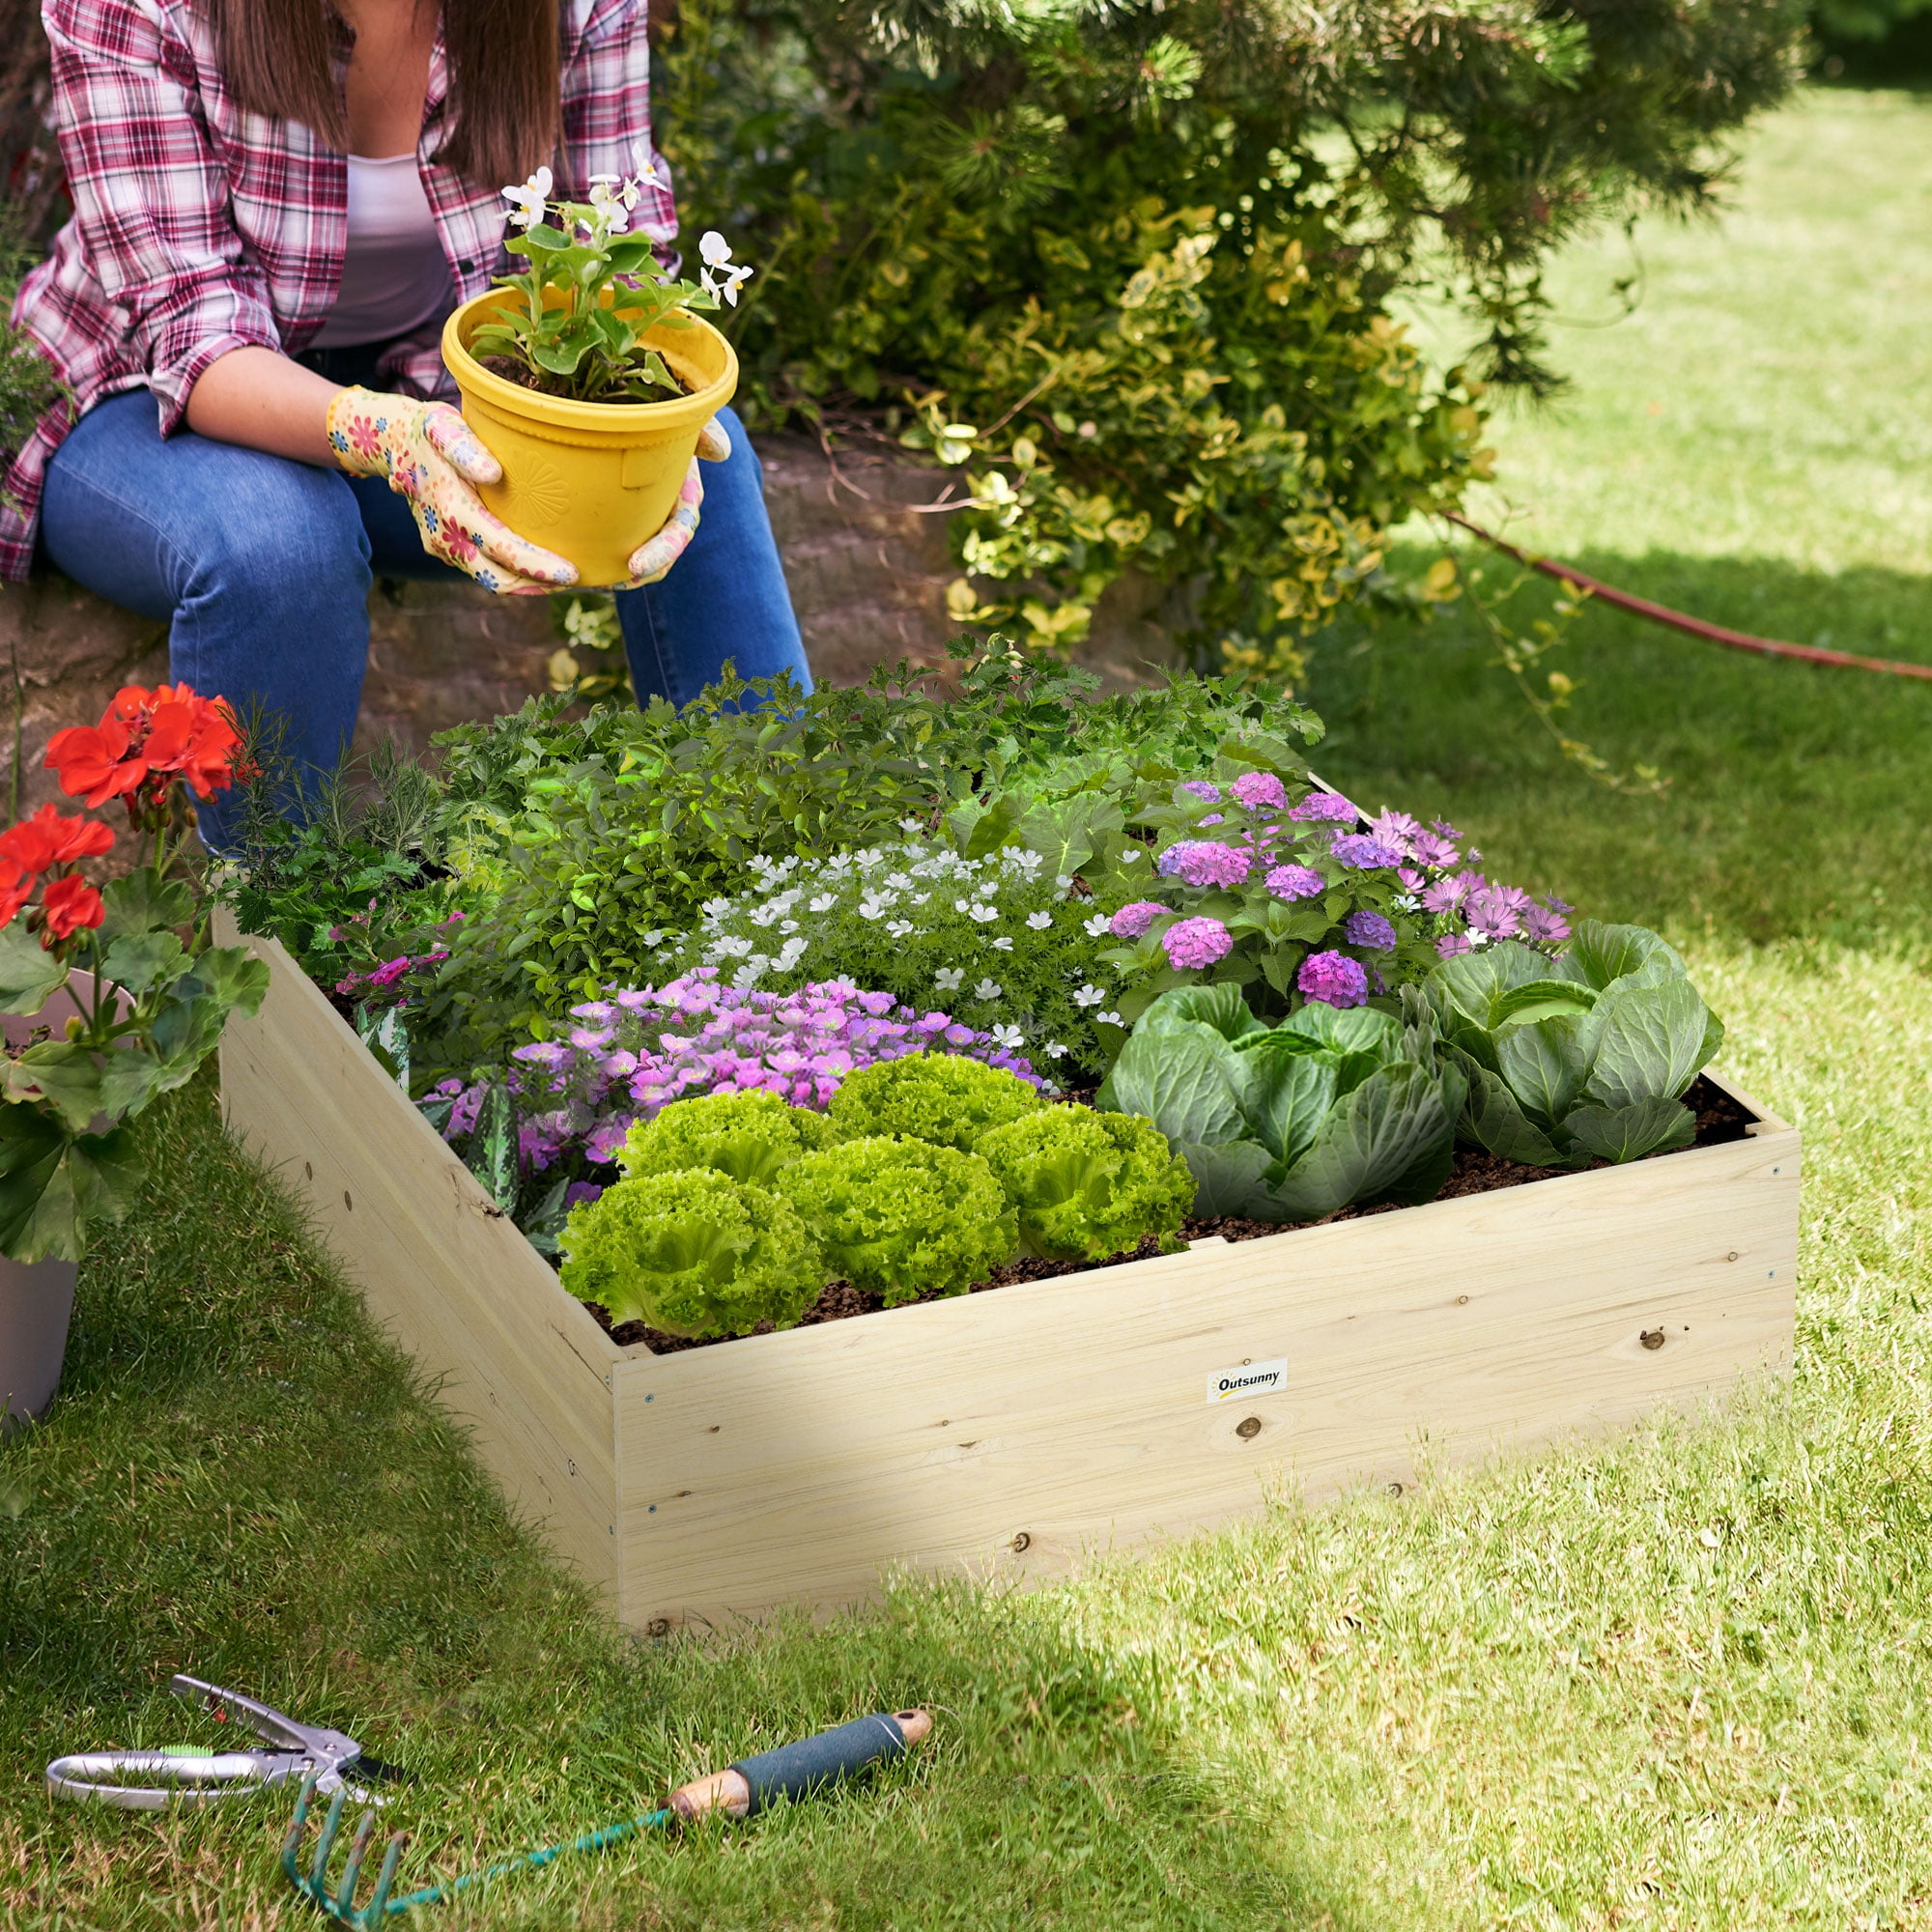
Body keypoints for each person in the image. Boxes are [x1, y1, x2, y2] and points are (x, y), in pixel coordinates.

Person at [5, 0, 811, 843]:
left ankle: (780, 896)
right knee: (282, 543)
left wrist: (652, 437)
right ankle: (267, 945)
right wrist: (387, 438)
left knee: (704, 467)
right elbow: (193, 327)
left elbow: (622, 246)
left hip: (422, 385)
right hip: (137, 396)